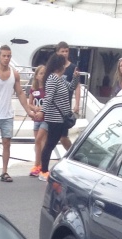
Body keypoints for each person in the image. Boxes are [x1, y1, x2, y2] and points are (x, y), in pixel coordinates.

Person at [0, 45, 38, 183]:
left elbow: (20, 93)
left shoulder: (14, 74)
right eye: (4, 56)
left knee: (7, 143)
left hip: (7, 115)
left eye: (8, 56)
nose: (6, 58)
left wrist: (28, 111)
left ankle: (4, 172)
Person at [38, 52, 75, 181]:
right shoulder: (53, 79)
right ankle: (43, 171)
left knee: (51, 143)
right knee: (50, 144)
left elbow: (71, 88)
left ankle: (44, 170)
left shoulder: (60, 79)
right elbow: (49, 98)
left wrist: (75, 77)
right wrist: (43, 111)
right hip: (55, 117)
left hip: (61, 118)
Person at [55, 42, 80, 153]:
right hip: (53, 107)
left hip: (65, 108)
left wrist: (77, 104)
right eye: (62, 51)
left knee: (63, 137)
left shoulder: (73, 67)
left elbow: (76, 87)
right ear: (57, 52)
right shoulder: (54, 67)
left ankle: (72, 154)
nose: (65, 54)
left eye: (66, 51)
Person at [28, 64, 47, 178]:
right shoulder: (33, 89)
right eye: (41, 73)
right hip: (36, 118)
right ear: (36, 76)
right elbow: (30, 103)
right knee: (37, 142)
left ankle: (41, 165)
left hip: (45, 118)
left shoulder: (47, 88)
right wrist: (34, 108)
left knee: (41, 140)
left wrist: (42, 110)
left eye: (45, 73)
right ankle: (38, 165)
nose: (43, 75)